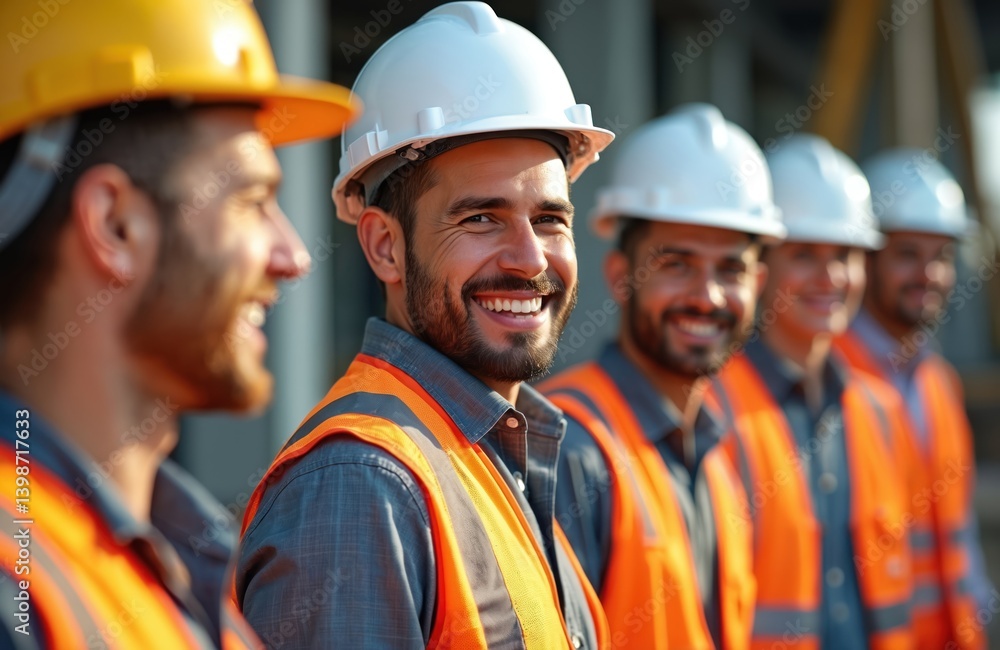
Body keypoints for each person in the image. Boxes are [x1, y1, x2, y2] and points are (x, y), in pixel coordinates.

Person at [235, 3, 615, 648]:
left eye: (551, 219)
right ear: (385, 246)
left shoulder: (497, 453)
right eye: (480, 220)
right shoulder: (359, 487)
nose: (530, 259)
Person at [0, 0, 359, 647]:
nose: (294, 256)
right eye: (252, 202)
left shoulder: (179, 563)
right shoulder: (17, 588)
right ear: (116, 225)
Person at [540, 103, 785, 649]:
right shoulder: (568, 448)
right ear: (621, 277)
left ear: (759, 282)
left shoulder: (716, 448)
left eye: (731, 269)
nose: (707, 297)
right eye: (676, 264)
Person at [711, 134, 928, 649]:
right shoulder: (715, 407)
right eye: (805, 255)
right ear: (762, 268)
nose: (830, 277)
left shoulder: (879, 408)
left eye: (846, 255)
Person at [835, 149, 991, 649]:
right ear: (866, 256)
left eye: (941, 256)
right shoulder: (827, 382)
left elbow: (959, 536)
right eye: (907, 254)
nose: (929, 274)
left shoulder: (938, 382)